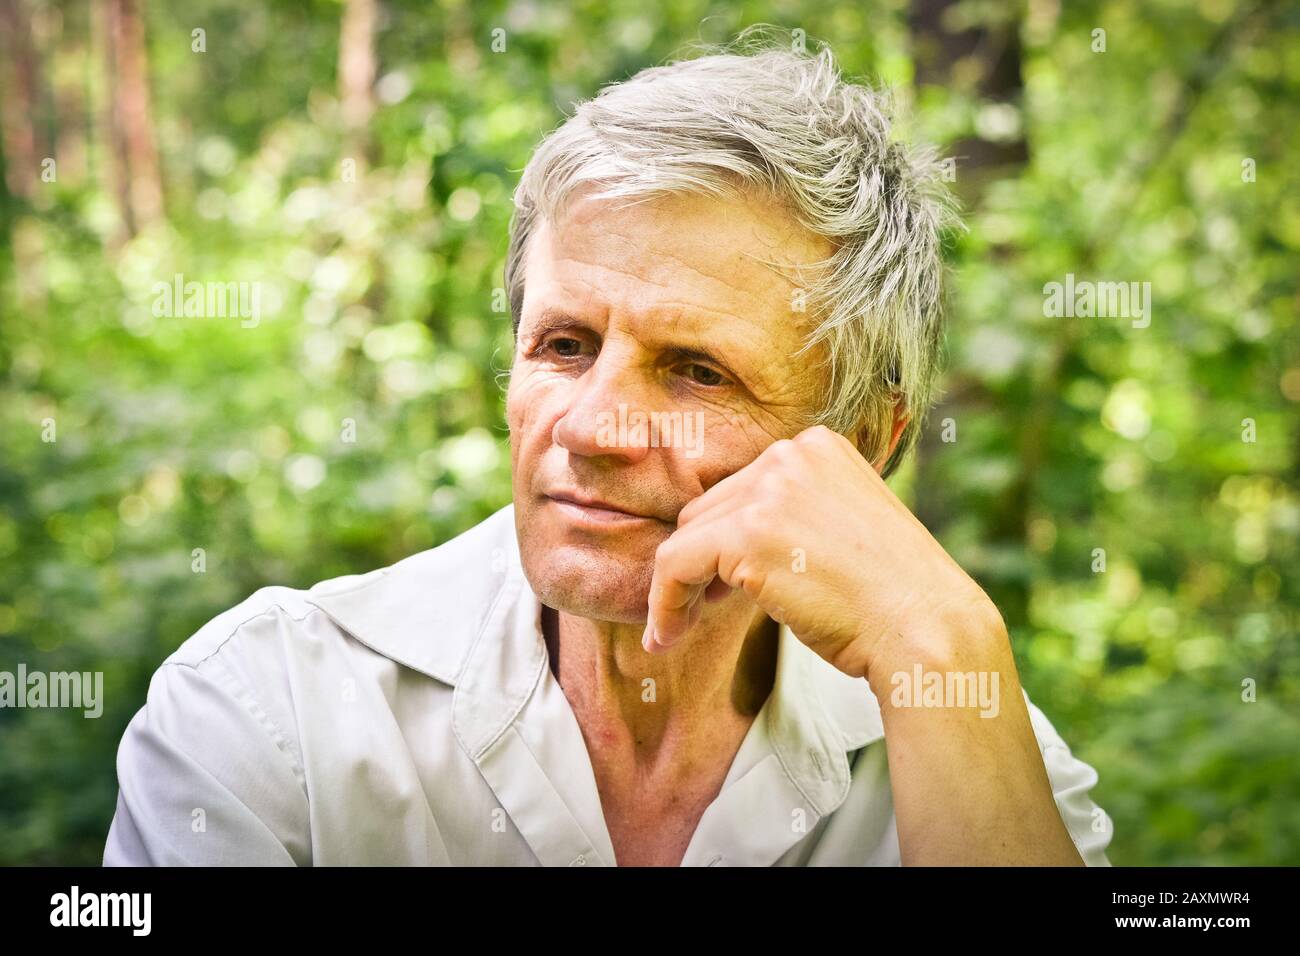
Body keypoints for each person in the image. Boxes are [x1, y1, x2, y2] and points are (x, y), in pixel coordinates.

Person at [104, 38, 1112, 867]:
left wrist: (938, 629)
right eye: (564, 345)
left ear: (861, 440)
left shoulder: (966, 745)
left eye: (697, 372)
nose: (589, 428)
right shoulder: (271, 706)